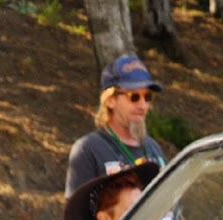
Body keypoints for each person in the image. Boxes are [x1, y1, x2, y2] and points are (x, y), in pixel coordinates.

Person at [65, 54, 168, 198]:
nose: (143, 105)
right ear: (110, 100)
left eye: (148, 97)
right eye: (134, 96)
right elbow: (76, 216)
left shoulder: (153, 148)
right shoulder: (88, 149)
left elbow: (174, 207)